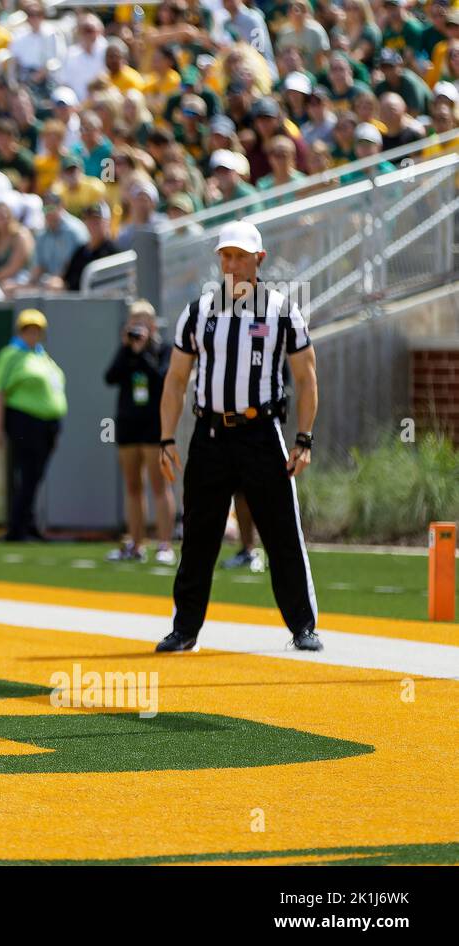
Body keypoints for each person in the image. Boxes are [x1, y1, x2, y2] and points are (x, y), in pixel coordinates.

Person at [157, 221, 322, 652]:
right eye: (225, 256)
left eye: (240, 256)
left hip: (260, 433)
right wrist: (166, 439)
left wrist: (304, 439)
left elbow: (306, 378)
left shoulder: (282, 310)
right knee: (198, 536)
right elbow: (176, 380)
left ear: (258, 260)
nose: (231, 264)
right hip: (210, 434)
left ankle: (303, 626)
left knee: (282, 532)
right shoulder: (199, 312)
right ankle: (185, 628)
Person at [105, 301, 175, 564]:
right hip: (128, 424)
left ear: (153, 325)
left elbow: (162, 379)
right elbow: (109, 377)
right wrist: (127, 349)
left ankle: (165, 544)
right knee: (133, 486)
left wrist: (143, 351)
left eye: (143, 321)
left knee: (159, 484)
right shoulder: (125, 351)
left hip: (153, 424)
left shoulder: (162, 349)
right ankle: (135, 544)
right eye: (134, 321)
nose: (138, 327)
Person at [0, 309, 66, 542]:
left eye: (37, 330)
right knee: (28, 474)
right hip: (24, 420)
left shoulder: (42, 356)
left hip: (47, 424)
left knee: (36, 475)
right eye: (28, 330)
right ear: (20, 331)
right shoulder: (11, 354)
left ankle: (28, 524)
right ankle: (17, 528)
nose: (33, 334)